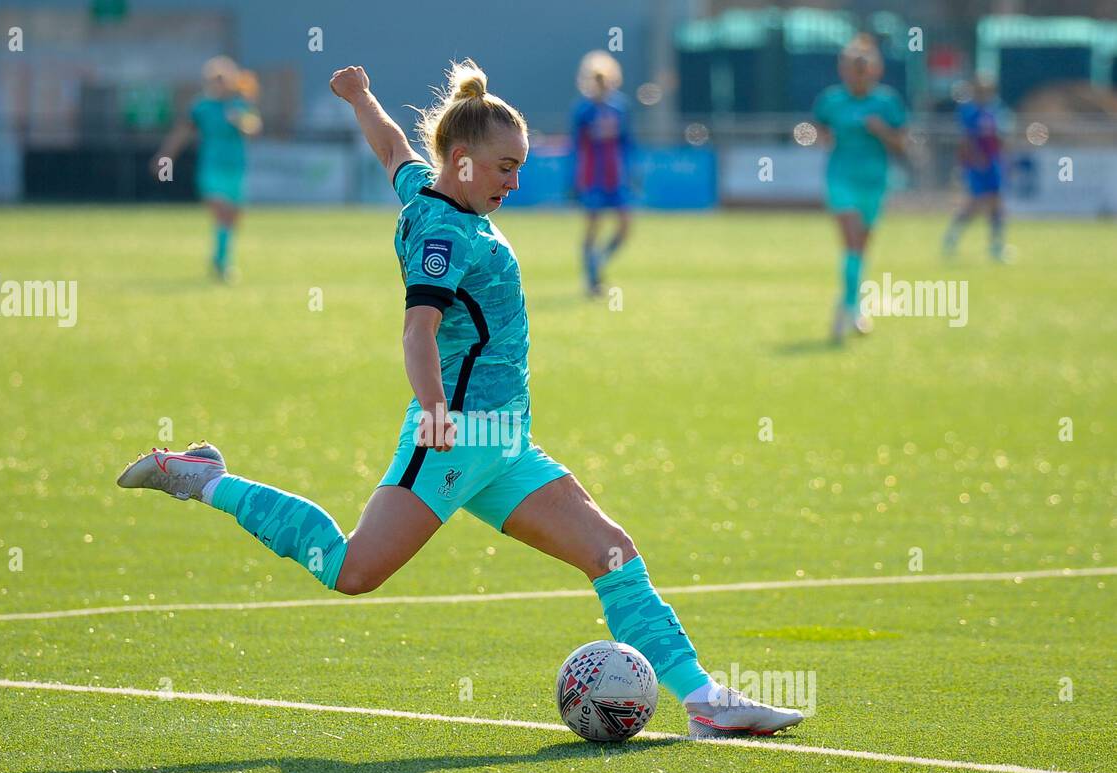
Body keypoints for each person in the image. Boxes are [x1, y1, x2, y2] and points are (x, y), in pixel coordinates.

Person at [118, 60, 804, 738]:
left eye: (519, 166)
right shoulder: (443, 234)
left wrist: (361, 96)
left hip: (505, 447)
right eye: (506, 166)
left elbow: (392, 146)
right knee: (351, 571)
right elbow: (418, 330)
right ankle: (207, 480)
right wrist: (434, 409)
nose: (514, 181)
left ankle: (705, 701)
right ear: (463, 160)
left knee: (613, 554)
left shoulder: (428, 187)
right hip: (455, 439)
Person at [811, 35, 908, 343]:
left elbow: (902, 144)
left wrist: (882, 131)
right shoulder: (831, 100)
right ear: (844, 71)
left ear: (875, 70)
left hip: (874, 181)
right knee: (851, 241)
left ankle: (851, 304)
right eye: (853, 69)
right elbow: (816, 128)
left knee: (860, 249)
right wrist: (821, 137)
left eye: (863, 69)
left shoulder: (887, 102)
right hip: (841, 178)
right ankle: (850, 311)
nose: (858, 75)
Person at [152, 56, 262, 280]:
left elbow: (254, 130)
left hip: (235, 167)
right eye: (215, 79)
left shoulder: (240, 105)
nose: (219, 84)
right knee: (221, 209)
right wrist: (165, 157)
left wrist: (240, 122)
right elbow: (181, 133)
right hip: (211, 166)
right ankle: (221, 263)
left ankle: (221, 260)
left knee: (232, 217)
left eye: (223, 79)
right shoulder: (202, 107)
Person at [571, 51, 633, 296]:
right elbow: (576, 146)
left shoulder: (619, 108)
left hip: (614, 176)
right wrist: (573, 179)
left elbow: (627, 143)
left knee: (625, 226)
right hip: (592, 177)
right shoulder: (583, 110)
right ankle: (592, 279)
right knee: (593, 227)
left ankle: (598, 263)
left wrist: (631, 172)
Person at [942, 76, 1009, 261]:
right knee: (974, 205)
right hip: (977, 164)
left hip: (993, 163)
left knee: (996, 204)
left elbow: (999, 138)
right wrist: (976, 159)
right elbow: (966, 139)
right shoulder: (969, 112)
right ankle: (952, 237)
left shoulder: (995, 110)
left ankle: (997, 245)